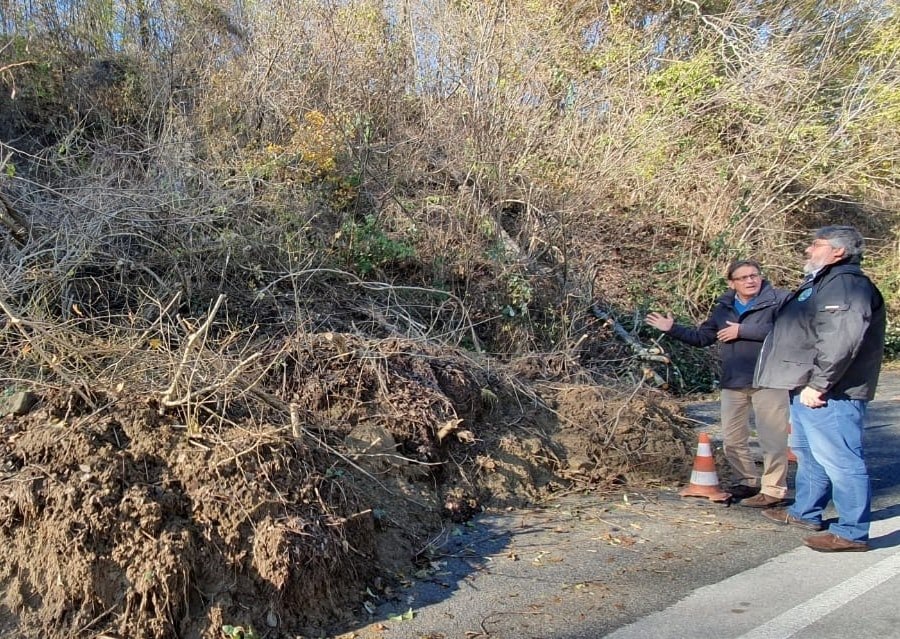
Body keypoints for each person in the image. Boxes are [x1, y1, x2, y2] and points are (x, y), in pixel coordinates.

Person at [756, 225, 885, 552]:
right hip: (808, 387)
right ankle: (806, 512)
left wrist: (819, 384)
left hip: (831, 392)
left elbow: (841, 339)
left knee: (841, 461)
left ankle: (852, 533)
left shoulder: (846, 285)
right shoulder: (825, 282)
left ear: (838, 251)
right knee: (809, 454)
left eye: (816, 245)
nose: (808, 250)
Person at [645, 260, 790, 507]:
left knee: (772, 439)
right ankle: (747, 481)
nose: (750, 281)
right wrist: (672, 329)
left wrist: (743, 330)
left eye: (754, 275)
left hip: (769, 378)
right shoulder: (724, 307)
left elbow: (790, 331)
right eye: (743, 278)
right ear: (732, 283)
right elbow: (702, 338)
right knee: (733, 438)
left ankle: (773, 490)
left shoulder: (779, 300)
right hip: (734, 380)